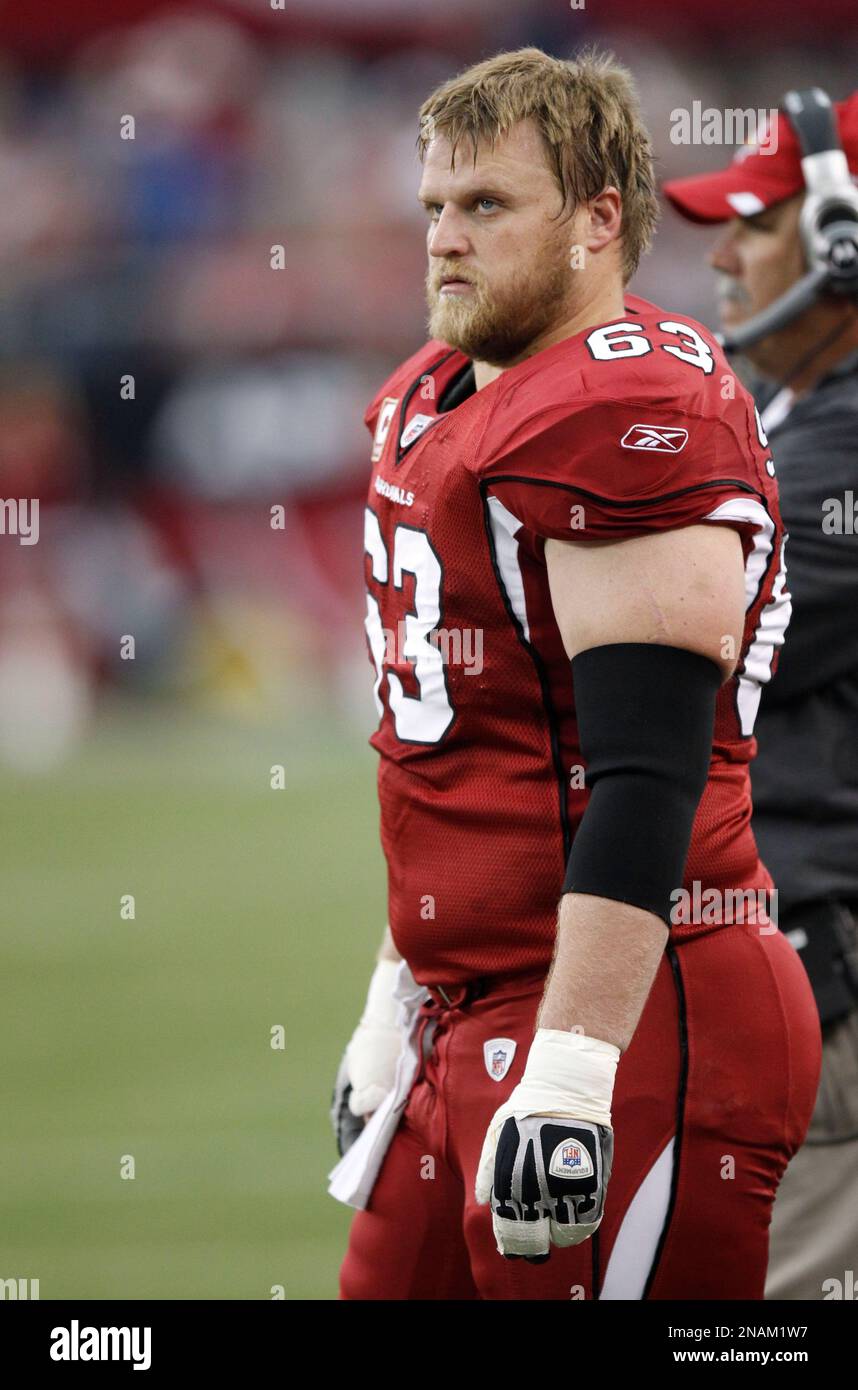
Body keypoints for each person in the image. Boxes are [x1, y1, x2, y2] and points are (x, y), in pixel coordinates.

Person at [328, 46, 821, 1301]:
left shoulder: (625, 412)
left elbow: (646, 777)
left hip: (641, 997)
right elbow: (462, 749)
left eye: (488, 205)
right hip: (468, 1001)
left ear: (600, 219)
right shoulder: (434, 394)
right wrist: (400, 984)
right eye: (435, 204)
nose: (446, 236)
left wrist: (573, 1066)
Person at [664, 90, 858, 1301]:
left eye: (755, 223)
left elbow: (675, 636)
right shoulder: (798, 421)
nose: (723, 256)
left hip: (823, 981)